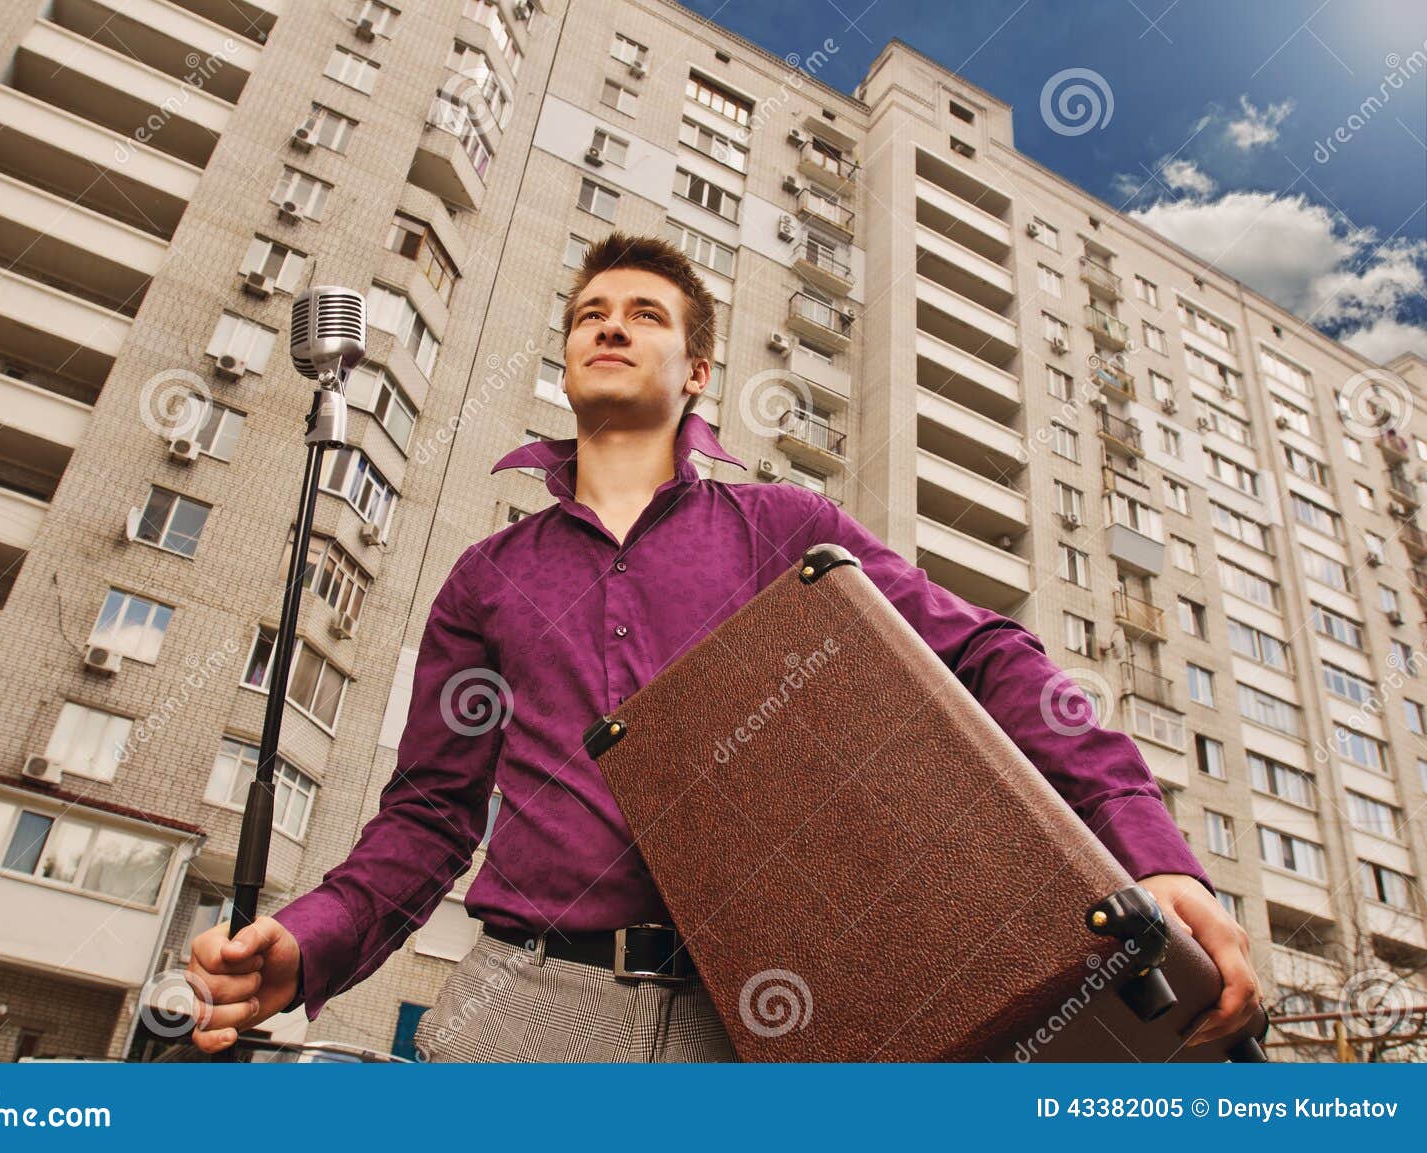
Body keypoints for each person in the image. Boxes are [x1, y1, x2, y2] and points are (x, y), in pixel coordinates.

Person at [187, 231, 1262, 1061]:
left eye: (644, 315)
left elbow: (989, 660)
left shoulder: (787, 529)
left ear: (696, 370)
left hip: (764, 1028)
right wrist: (312, 939)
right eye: (588, 314)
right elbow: (427, 814)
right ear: (564, 359)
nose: (609, 325)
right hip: (523, 1012)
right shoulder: (488, 577)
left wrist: (1152, 856)